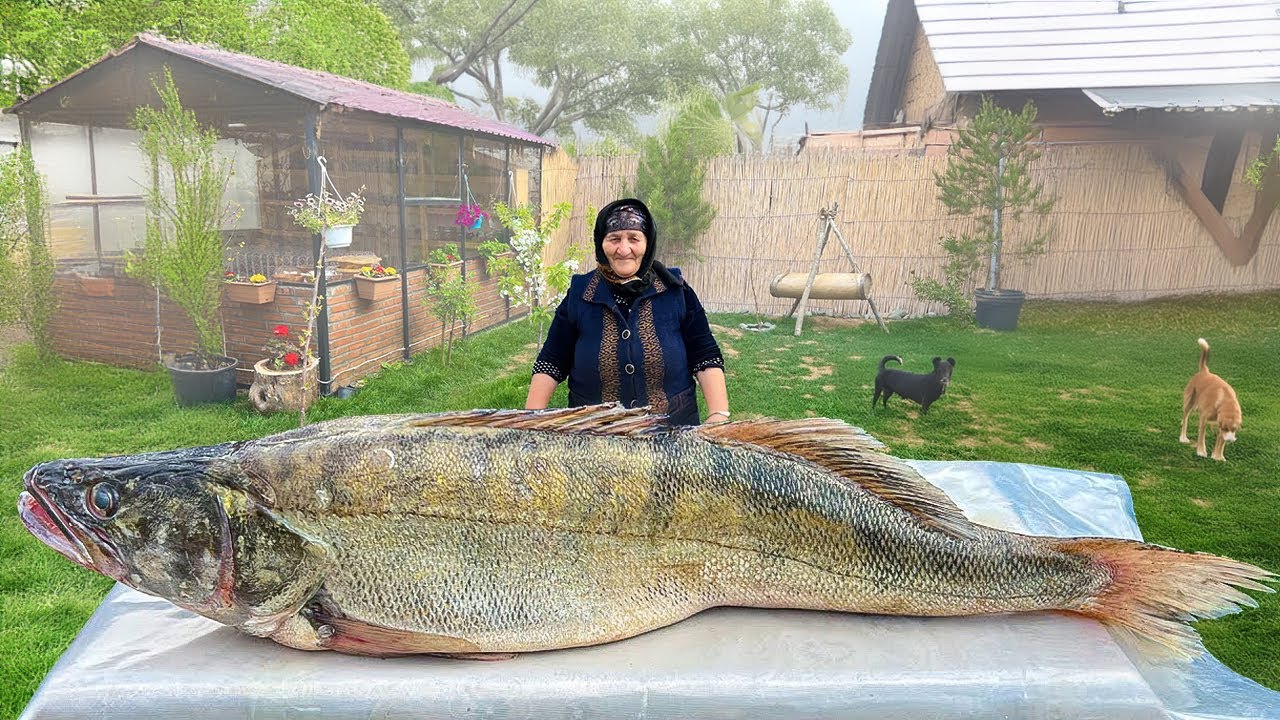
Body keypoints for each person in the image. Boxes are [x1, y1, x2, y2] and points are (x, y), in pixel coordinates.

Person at [524, 198, 729, 425]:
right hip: (596, 435)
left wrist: (718, 415)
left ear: (647, 243)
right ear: (601, 244)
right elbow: (551, 361)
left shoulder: (676, 291)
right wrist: (530, 422)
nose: (624, 249)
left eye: (634, 238)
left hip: (672, 434)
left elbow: (705, 355)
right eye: (614, 239)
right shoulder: (580, 294)